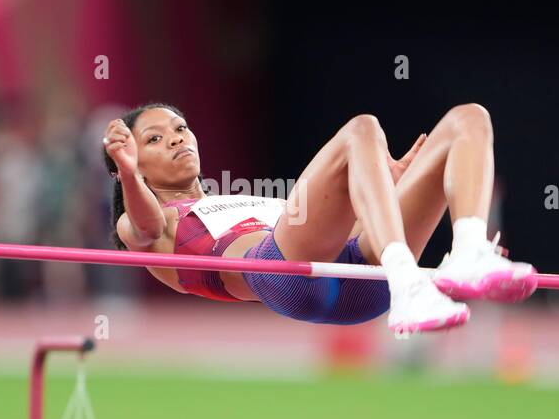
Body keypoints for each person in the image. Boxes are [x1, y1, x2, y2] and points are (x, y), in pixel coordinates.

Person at [102, 102, 536, 336]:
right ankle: (409, 280)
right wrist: (124, 169)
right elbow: (144, 226)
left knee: (469, 119)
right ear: (136, 165)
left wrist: (387, 187)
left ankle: (468, 250)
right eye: (156, 139)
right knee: (361, 129)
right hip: (282, 276)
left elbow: (339, 236)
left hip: (360, 278)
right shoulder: (150, 225)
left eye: (179, 127)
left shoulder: (240, 200)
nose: (176, 138)